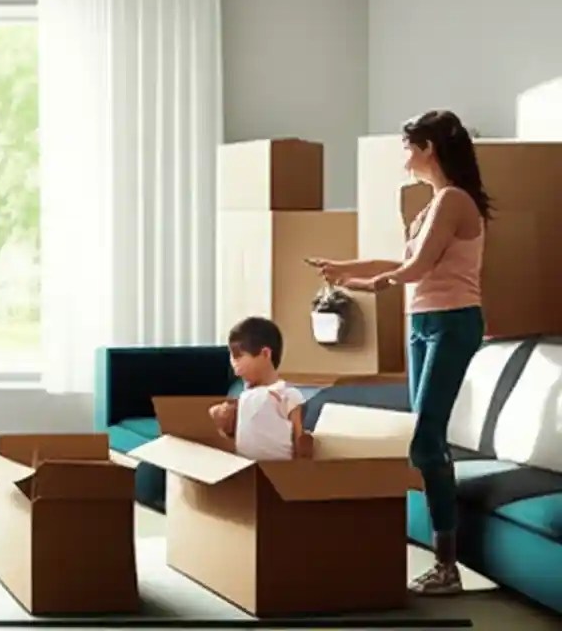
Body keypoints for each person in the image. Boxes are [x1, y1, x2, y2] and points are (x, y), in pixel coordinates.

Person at [309, 109, 490, 596]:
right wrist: (345, 269)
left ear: (428, 148)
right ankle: (444, 558)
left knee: (425, 440)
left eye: (409, 145)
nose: (404, 155)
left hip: (452, 323)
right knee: (423, 437)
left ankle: (446, 566)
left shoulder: (453, 200)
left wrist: (374, 283)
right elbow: (408, 262)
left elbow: (417, 267)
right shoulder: (431, 205)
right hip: (423, 322)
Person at [208, 317, 313, 460]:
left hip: (279, 471)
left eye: (238, 357)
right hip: (245, 471)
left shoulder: (286, 395)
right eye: (231, 358)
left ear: (265, 354)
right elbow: (232, 434)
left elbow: (299, 438)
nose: (234, 364)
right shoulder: (243, 397)